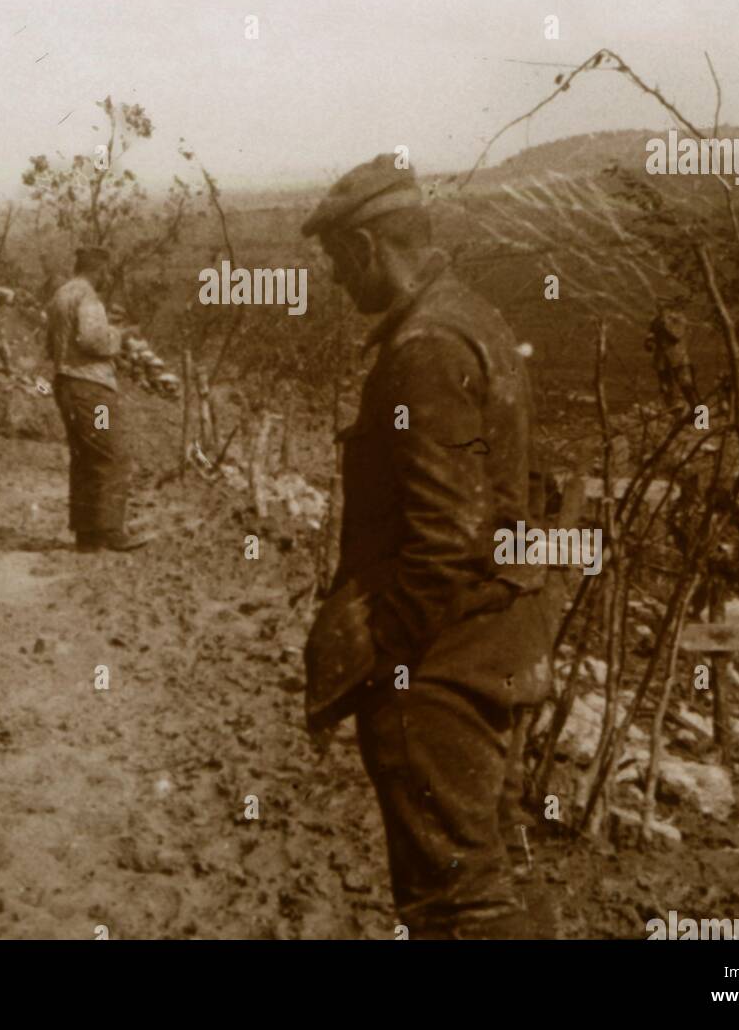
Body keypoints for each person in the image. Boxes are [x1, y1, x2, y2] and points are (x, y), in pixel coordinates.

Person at [300, 156, 556, 939]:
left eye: (341, 263)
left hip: (443, 661)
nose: (341, 284)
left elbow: (444, 539)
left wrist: (384, 656)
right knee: (494, 866)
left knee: (455, 903)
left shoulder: (424, 347)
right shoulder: (471, 317)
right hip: (493, 638)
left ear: (370, 250)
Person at [46, 245, 146, 553]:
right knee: (113, 455)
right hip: (91, 389)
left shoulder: (60, 296)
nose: (106, 278)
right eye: (106, 272)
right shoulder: (87, 297)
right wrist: (120, 336)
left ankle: (86, 533)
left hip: (67, 384)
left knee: (85, 458)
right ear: (99, 270)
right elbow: (92, 339)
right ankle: (111, 529)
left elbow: (51, 345)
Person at [645, 301, 699, 411]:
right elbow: (650, 337)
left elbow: (676, 335)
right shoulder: (656, 321)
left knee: (687, 387)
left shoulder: (679, 319)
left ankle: (701, 418)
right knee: (667, 389)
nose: (660, 309)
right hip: (662, 361)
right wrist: (649, 343)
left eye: (663, 307)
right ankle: (676, 417)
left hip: (679, 358)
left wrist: (666, 323)